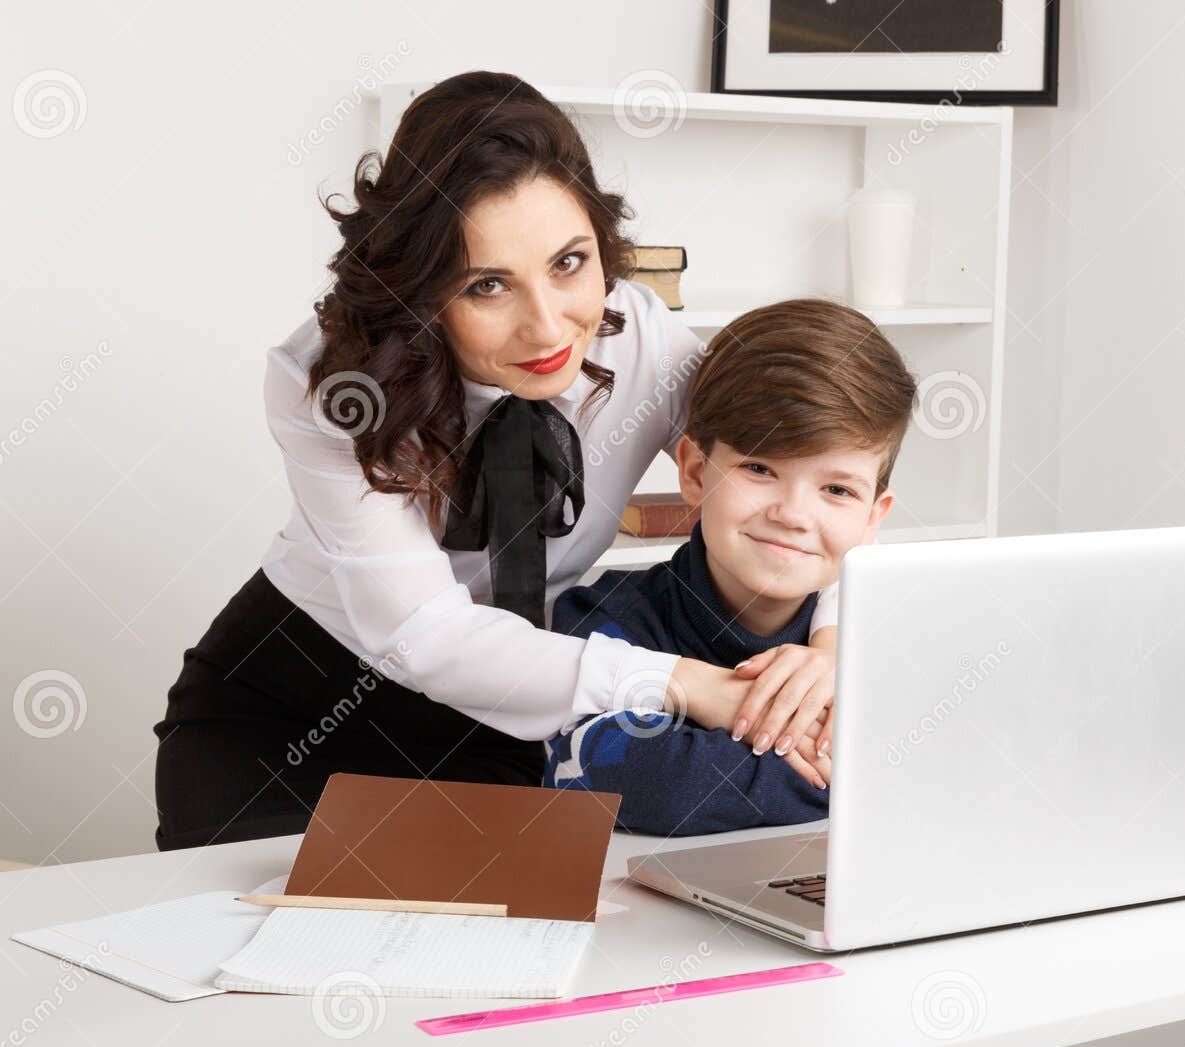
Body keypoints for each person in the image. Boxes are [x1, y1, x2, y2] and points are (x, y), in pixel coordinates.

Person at [151, 72, 838, 850]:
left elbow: (809, 470)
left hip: (518, 705)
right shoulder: (334, 383)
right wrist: (682, 683)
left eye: (570, 263)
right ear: (420, 289)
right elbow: (426, 637)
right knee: (279, 956)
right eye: (486, 285)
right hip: (291, 712)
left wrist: (836, 646)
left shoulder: (642, 342)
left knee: (514, 949)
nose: (548, 327)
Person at [543, 299, 916, 835]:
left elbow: (949, 754)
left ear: (872, 516)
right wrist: (853, 768)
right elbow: (639, 781)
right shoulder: (605, 618)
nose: (792, 515)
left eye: (837, 489)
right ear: (694, 472)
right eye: (760, 468)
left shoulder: (887, 635)